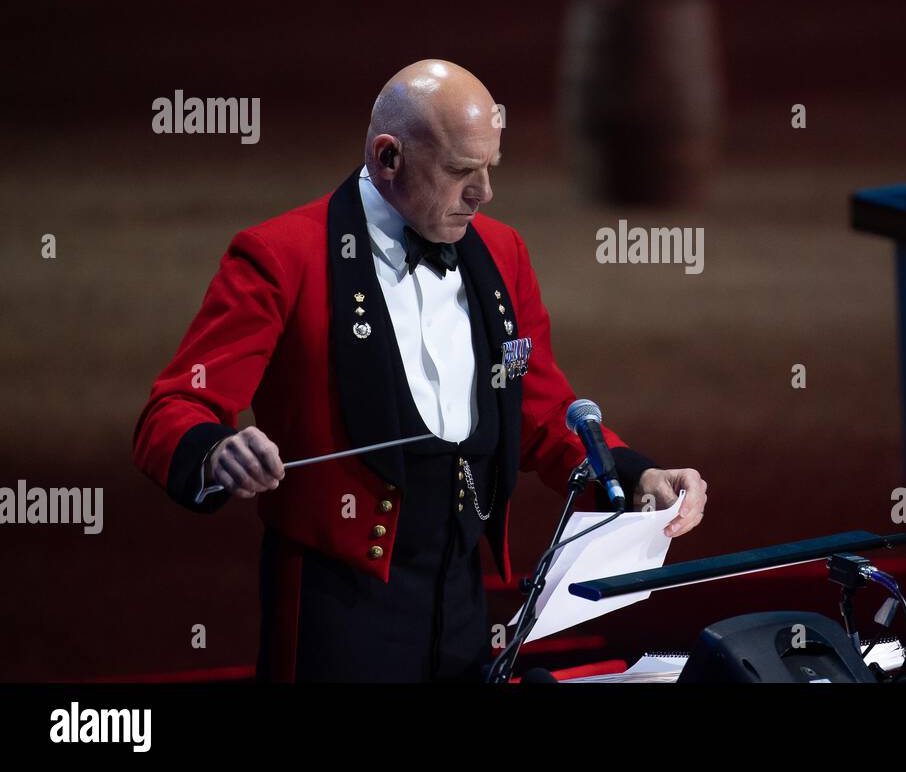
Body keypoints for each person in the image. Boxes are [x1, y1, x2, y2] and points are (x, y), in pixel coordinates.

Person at [132, 59, 708, 682]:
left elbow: (541, 411)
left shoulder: (503, 251)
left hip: (464, 600)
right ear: (387, 158)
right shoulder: (280, 256)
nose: (484, 192)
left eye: (491, 167)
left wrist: (636, 471)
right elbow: (172, 411)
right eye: (462, 171)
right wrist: (217, 450)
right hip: (339, 612)